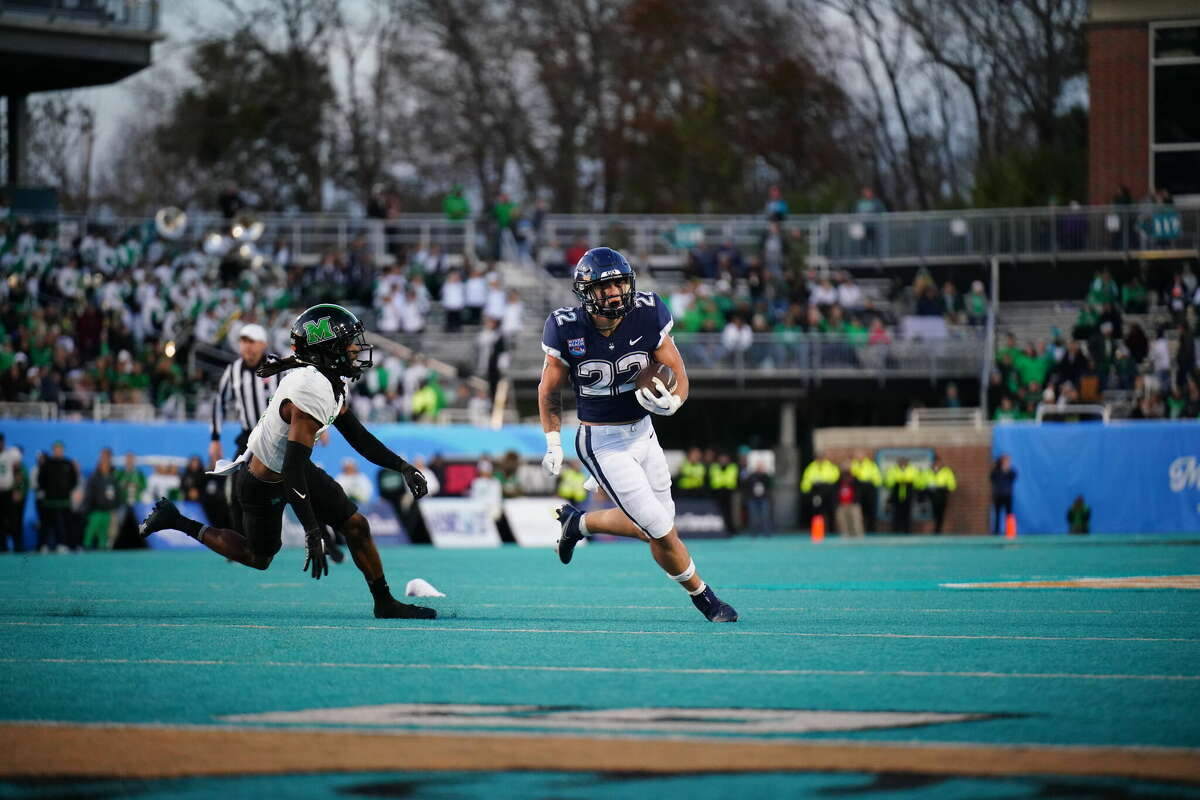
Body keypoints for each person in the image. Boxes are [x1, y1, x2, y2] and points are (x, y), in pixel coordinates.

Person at [139, 304, 436, 619]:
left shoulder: (327, 379)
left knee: (356, 525)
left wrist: (403, 466)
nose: (355, 349)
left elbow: (357, 437)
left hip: (291, 468)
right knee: (258, 557)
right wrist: (312, 531)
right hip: (262, 481)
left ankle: (384, 602)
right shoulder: (310, 390)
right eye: (348, 343)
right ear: (327, 350)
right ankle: (176, 520)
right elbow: (291, 470)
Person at [539, 247, 737, 622]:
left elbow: (677, 371)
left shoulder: (647, 311)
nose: (615, 293)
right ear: (585, 292)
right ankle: (706, 600)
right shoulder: (565, 326)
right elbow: (549, 390)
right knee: (661, 530)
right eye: (605, 286)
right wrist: (552, 440)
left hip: (644, 434)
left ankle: (578, 523)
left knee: (655, 527)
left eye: (619, 283)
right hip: (603, 443)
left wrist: (675, 401)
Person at [211, 323, 280, 463]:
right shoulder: (233, 370)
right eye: (243, 341)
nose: (247, 346)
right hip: (249, 438)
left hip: (278, 436)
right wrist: (215, 439)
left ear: (263, 344)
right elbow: (219, 403)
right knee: (238, 474)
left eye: (252, 341)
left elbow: (298, 394)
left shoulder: (278, 366)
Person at [38, 441, 77, 553]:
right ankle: (43, 545)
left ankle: (64, 544)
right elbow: (41, 479)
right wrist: (47, 491)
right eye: (56, 448)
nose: (58, 451)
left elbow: (74, 480)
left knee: (65, 523)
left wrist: (67, 490)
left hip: (64, 500)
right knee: (46, 523)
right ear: (53, 449)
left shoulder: (68, 463)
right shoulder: (47, 464)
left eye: (60, 449)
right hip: (49, 500)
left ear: (63, 450)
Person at [82, 449, 121, 550]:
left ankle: (102, 546)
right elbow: (89, 493)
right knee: (92, 528)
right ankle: (86, 545)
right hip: (96, 509)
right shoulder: (94, 478)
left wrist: (115, 504)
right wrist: (88, 506)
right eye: (103, 465)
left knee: (104, 530)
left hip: (107, 509)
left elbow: (117, 493)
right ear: (99, 466)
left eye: (107, 465)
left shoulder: (113, 479)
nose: (105, 467)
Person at [800, 452, 839, 530]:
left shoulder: (830, 466)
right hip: (817, 492)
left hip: (829, 492)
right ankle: (818, 530)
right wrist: (806, 490)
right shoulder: (811, 468)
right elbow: (806, 480)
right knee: (817, 512)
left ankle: (832, 530)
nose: (820, 459)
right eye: (818, 458)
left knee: (831, 511)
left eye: (821, 457)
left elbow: (836, 477)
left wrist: (825, 482)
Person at [921, 456, 957, 534]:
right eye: (935, 463)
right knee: (933, 511)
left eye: (938, 462)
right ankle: (934, 528)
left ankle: (937, 530)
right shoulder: (927, 472)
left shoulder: (947, 471)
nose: (937, 464)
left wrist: (944, 487)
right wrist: (927, 487)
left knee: (940, 512)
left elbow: (952, 484)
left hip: (942, 493)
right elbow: (922, 483)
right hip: (930, 494)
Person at [707, 451, 739, 535]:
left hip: (729, 493)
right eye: (722, 458)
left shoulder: (733, 467)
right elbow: (709, 480)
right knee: (717, 512)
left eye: (725, 458)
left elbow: (737, 479)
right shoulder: (714, 467)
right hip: (717, 493)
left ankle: (731, 530)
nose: (723, 460)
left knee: (730, 513)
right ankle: (719, 530)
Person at [850, 450, 882, 533]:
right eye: (857, 456)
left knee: (870, 511)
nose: (859, 457)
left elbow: (877, 478)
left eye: (860, 455)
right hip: (858, 490)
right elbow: (852, 477)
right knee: (859, 512)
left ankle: (871, 530)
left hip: (869, 489)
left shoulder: (871, 465)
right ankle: (859, 530)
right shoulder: (853, 465)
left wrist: (870, 482)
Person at [884, 456, 918, 534]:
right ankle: (896, 530)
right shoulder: (893, 470)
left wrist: (907, 481)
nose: (902, 464)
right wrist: (898, 481)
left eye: (904, 462)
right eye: (901, 462)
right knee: (896, 512)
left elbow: (917, 481)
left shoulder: (912, 470)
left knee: (907, 512)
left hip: (908, 493)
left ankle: (907, 530)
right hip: (896, 493)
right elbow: (888, 481)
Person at [0, 434, 21, 551]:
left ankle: (17, 544)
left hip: (8, 491)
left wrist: (17, 489)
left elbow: (17, 472)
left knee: (13, 519)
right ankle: (2, 545)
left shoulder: (10, 454)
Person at [743, 459, 772, 536]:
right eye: (759, 466)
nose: (760, 468)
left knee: (765, 516)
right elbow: (746, 486)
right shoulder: (751, 476)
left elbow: (770, 486)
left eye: (761, 466)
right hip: (753, 499)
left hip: (764, 498)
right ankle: (753, 533)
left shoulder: (766, 476)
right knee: (753, 516)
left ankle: (766, 532)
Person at [990, 454, 1017, 535]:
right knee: (997, 514)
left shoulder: (1010, 471)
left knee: (1009, 514)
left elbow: (1014, 476)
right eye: (1005, 461)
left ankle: (1009, 532)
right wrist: (996, 468)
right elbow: (992, 478)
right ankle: (996, 532)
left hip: (1007, 496)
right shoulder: (996, 471)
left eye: (1008, 461)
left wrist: (1007, 470)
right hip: (998, 495)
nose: (1007, 463)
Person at [834, 466, 864, 537]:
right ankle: (844, 535)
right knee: (842, 519)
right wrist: (838, 503)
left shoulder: (855, 481)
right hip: (842, 505)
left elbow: (859, 493)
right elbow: (834, 494)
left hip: (853, 504)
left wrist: (854, 501)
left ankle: (858, 535)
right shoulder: (838, 482)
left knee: (856, 519)